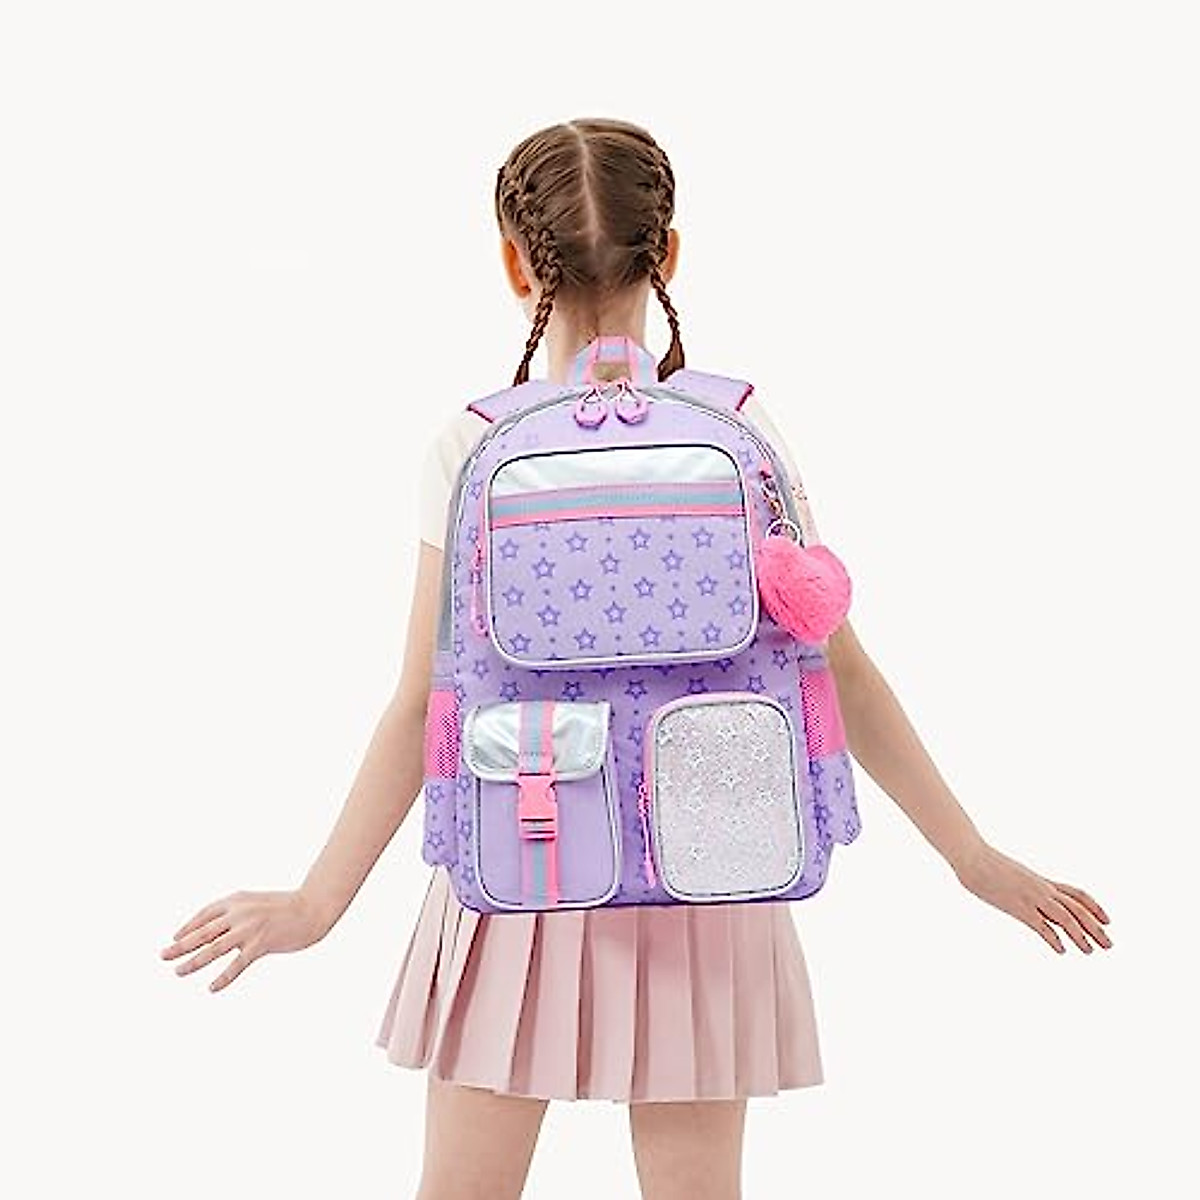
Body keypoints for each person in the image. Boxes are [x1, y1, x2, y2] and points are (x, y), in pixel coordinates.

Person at [161, 117, 1113, 1200]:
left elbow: (421, 703)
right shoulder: (739, 427)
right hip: (708, 868)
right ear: (669, 254)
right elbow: (838, 668)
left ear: (515, 262)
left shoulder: (472, 445)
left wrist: (315, 903)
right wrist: (971, 856)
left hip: (523, 855)